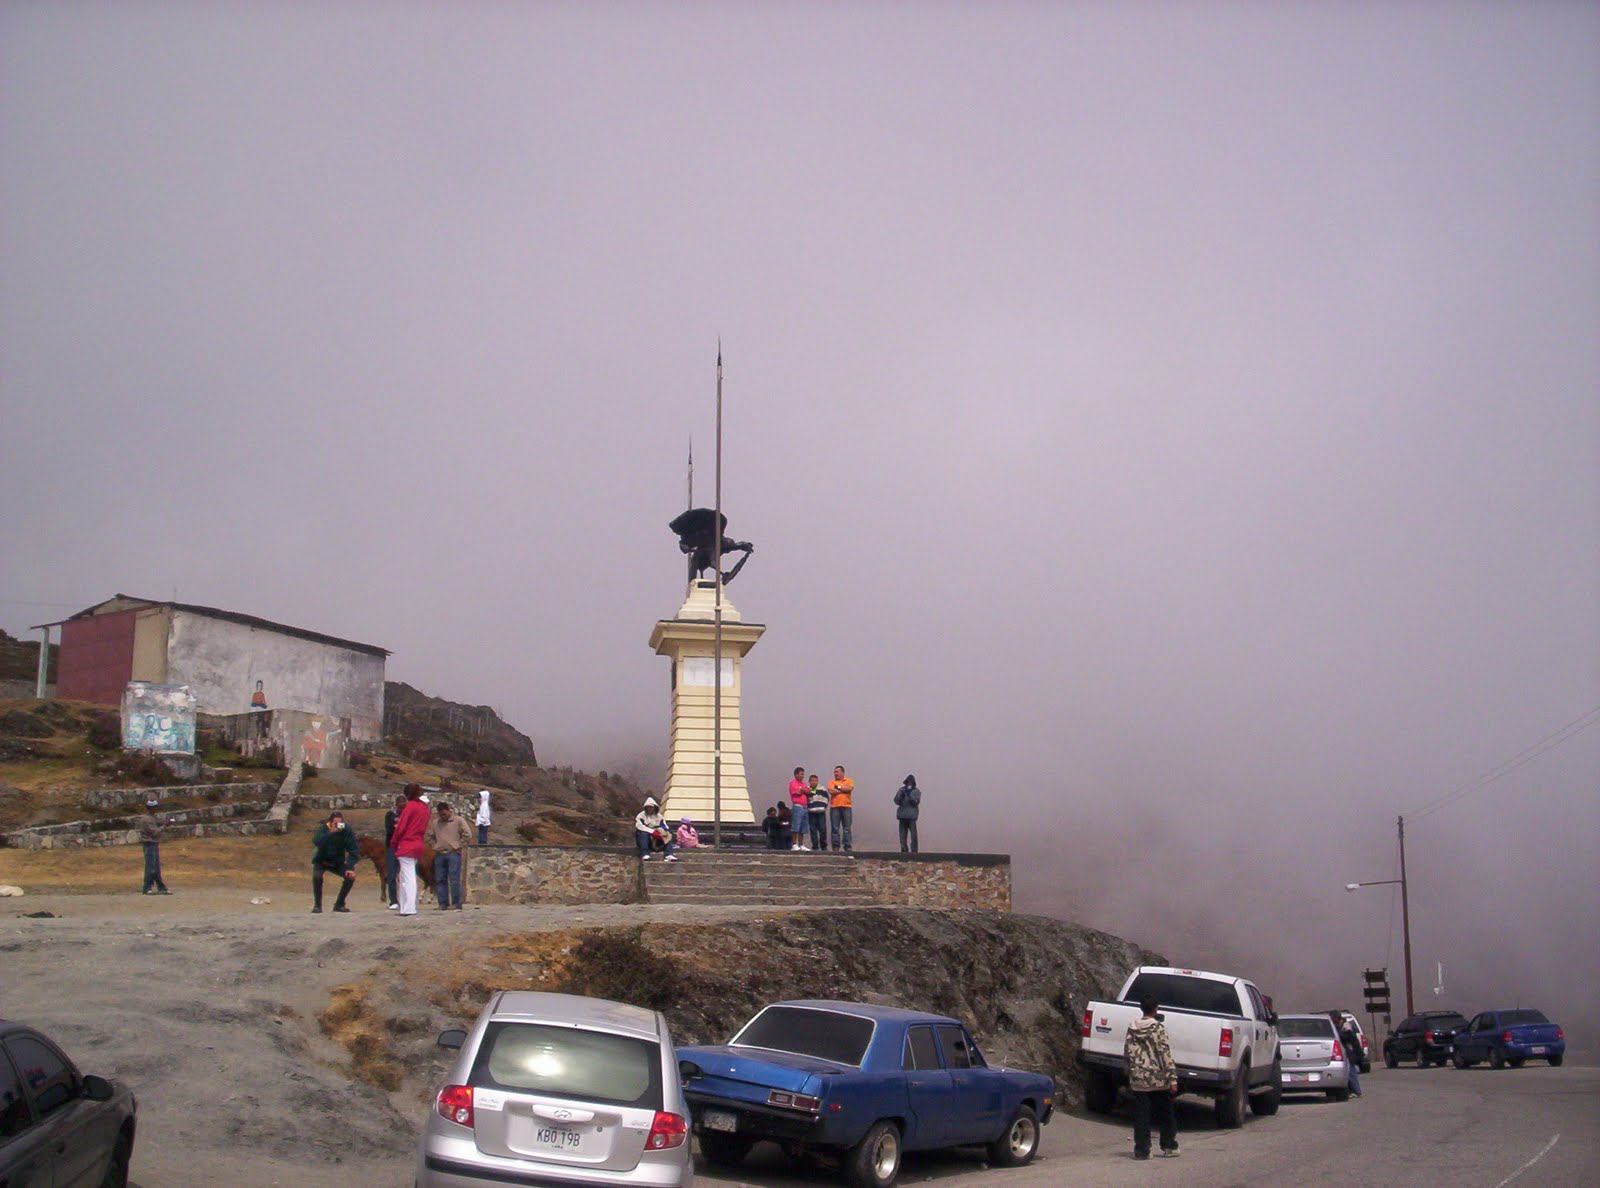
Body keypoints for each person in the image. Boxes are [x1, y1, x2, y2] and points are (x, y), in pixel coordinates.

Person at [1124, 996, 1180, 1159]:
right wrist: (1172, 1078)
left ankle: (1142, 1149)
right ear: (1155, 1009)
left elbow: (1127, 1051)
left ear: (1142, 1008)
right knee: (1165, 1112)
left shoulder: (1132, 1028)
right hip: (1158, 1078)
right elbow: (1164, 1053)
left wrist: (1128, 1071)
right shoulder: (1158, 1028)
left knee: (1141, 1114)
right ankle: (1169, 1145)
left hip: (1139, 1077)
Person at [391, 783, 431, 916]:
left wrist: (394, 841)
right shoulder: (425, 808)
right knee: (405, 875)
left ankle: (409, 908)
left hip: (407, 843)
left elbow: (401, 827)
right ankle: (404, 907)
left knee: (407, 877)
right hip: (418, 842)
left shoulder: (410, 806)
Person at [425, 801, 472, 910]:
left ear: (449, 811)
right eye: (441, 814)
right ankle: (443, 903)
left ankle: (456, 903)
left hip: (453, 854)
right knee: (440, 879)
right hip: (439, 854)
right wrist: (434, 846)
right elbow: (429, 836)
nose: (443, 816)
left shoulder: (459, 821)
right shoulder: (436, 823)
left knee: (454, 879)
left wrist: (458, 845)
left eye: (444, 814)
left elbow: (468, 835)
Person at [310, 811, 359, 913]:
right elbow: (316, 841)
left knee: (350, 877)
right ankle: (317, 905)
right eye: (335, 823)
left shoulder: (346, 830)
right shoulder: (324, 828)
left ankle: (339, 904)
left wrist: (350, 867)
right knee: (317, 877)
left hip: (337, 861)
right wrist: (330, 833)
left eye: (339, 823)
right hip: (321, 860)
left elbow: (353, 850)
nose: (337, 826)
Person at [138, 797, 171, 894]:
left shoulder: (152, 818)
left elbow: (159, 822)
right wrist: (164, 826)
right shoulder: (146, 820)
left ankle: (161, 886)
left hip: (154, 844)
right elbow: (154, 832)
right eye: (155, 807)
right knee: (150, 867)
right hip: (149, 844)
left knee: (156, 867)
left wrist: (166, 822)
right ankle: (147, 887)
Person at [633, 797, 678, 861]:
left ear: (654, 807)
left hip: (656, 838)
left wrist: (661, 831)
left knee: (668, 834)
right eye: (648, 807)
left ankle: (668, 854)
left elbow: (665, 826)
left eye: (651, 807)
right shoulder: (641, 816)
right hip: (644, 838)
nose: (649, 808)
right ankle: (645, 853)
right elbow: (639, 826)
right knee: (644, 833)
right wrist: (651, 831)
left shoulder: (659, 816)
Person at [382, 793, 404, 908]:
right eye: (400, 807)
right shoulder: (390, 815)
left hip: (405, 846)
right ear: (396, 805)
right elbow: (390, 829)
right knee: (391, 874)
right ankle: (394, 900)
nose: (401, 809)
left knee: (405, 874)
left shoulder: (407, 814)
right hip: (392, 846)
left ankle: (406, 898)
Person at [1335, 1013, 1363, 1097]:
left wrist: (1340, 1034)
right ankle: (1352, 1091)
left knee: (1351, 1071)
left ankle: (1356, 1091)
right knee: (1349, 1071)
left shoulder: (1347, 1027)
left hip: (1351, 1052)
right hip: (1350, 1052)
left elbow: (1349, 1038)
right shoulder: (1344, 1026)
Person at [828, 765, 855, 852]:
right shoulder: (832, 782)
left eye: (837, 772)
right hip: (834, 807)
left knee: (847, 828)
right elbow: (831, 791)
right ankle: (835, 846)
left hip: (846, 807)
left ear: (842, 772)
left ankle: (847, 846)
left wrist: (838, 788)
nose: (835, 773)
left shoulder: (849, 781)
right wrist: (843, 789)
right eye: (834, 772)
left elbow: (849, 788)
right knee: (835, 828)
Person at [894, 775, 922, 853]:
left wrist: (910, 796)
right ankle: (904, 851)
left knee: (913, 836)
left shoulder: (916, 791)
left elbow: (916, 802)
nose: (909, 784)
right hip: (902, 816)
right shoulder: (901, 790)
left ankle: (914, 852)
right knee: (902, 837)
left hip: (911, 817)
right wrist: (901, 796)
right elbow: (896, 801)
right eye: (908, 783)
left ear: (913, 783)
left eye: (911, 783)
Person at [787, 767, 810, 851]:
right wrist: (803, 791)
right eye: (801, 774)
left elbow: (809, 792)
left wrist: (803, 790)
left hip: (804, 807)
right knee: (796, 825)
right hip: (797, 806)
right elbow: (797, 792)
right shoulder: (793, 783)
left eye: (803, 774)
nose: (803, 776)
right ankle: (794, 844)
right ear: (796, 774)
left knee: (803, 827)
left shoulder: (803, 784)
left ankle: (801, 844)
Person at [807, 774, 829, 851]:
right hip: (811, 811)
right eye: (812, 780)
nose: (814, 782)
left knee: (822, 829)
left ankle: (824, 846)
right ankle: (815, 846)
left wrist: (824, 807)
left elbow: (826, 798)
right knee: (813, 830)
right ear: (809, 781)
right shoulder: (807, 789)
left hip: (821, 811)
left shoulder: (822, 789)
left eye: (815, 780)